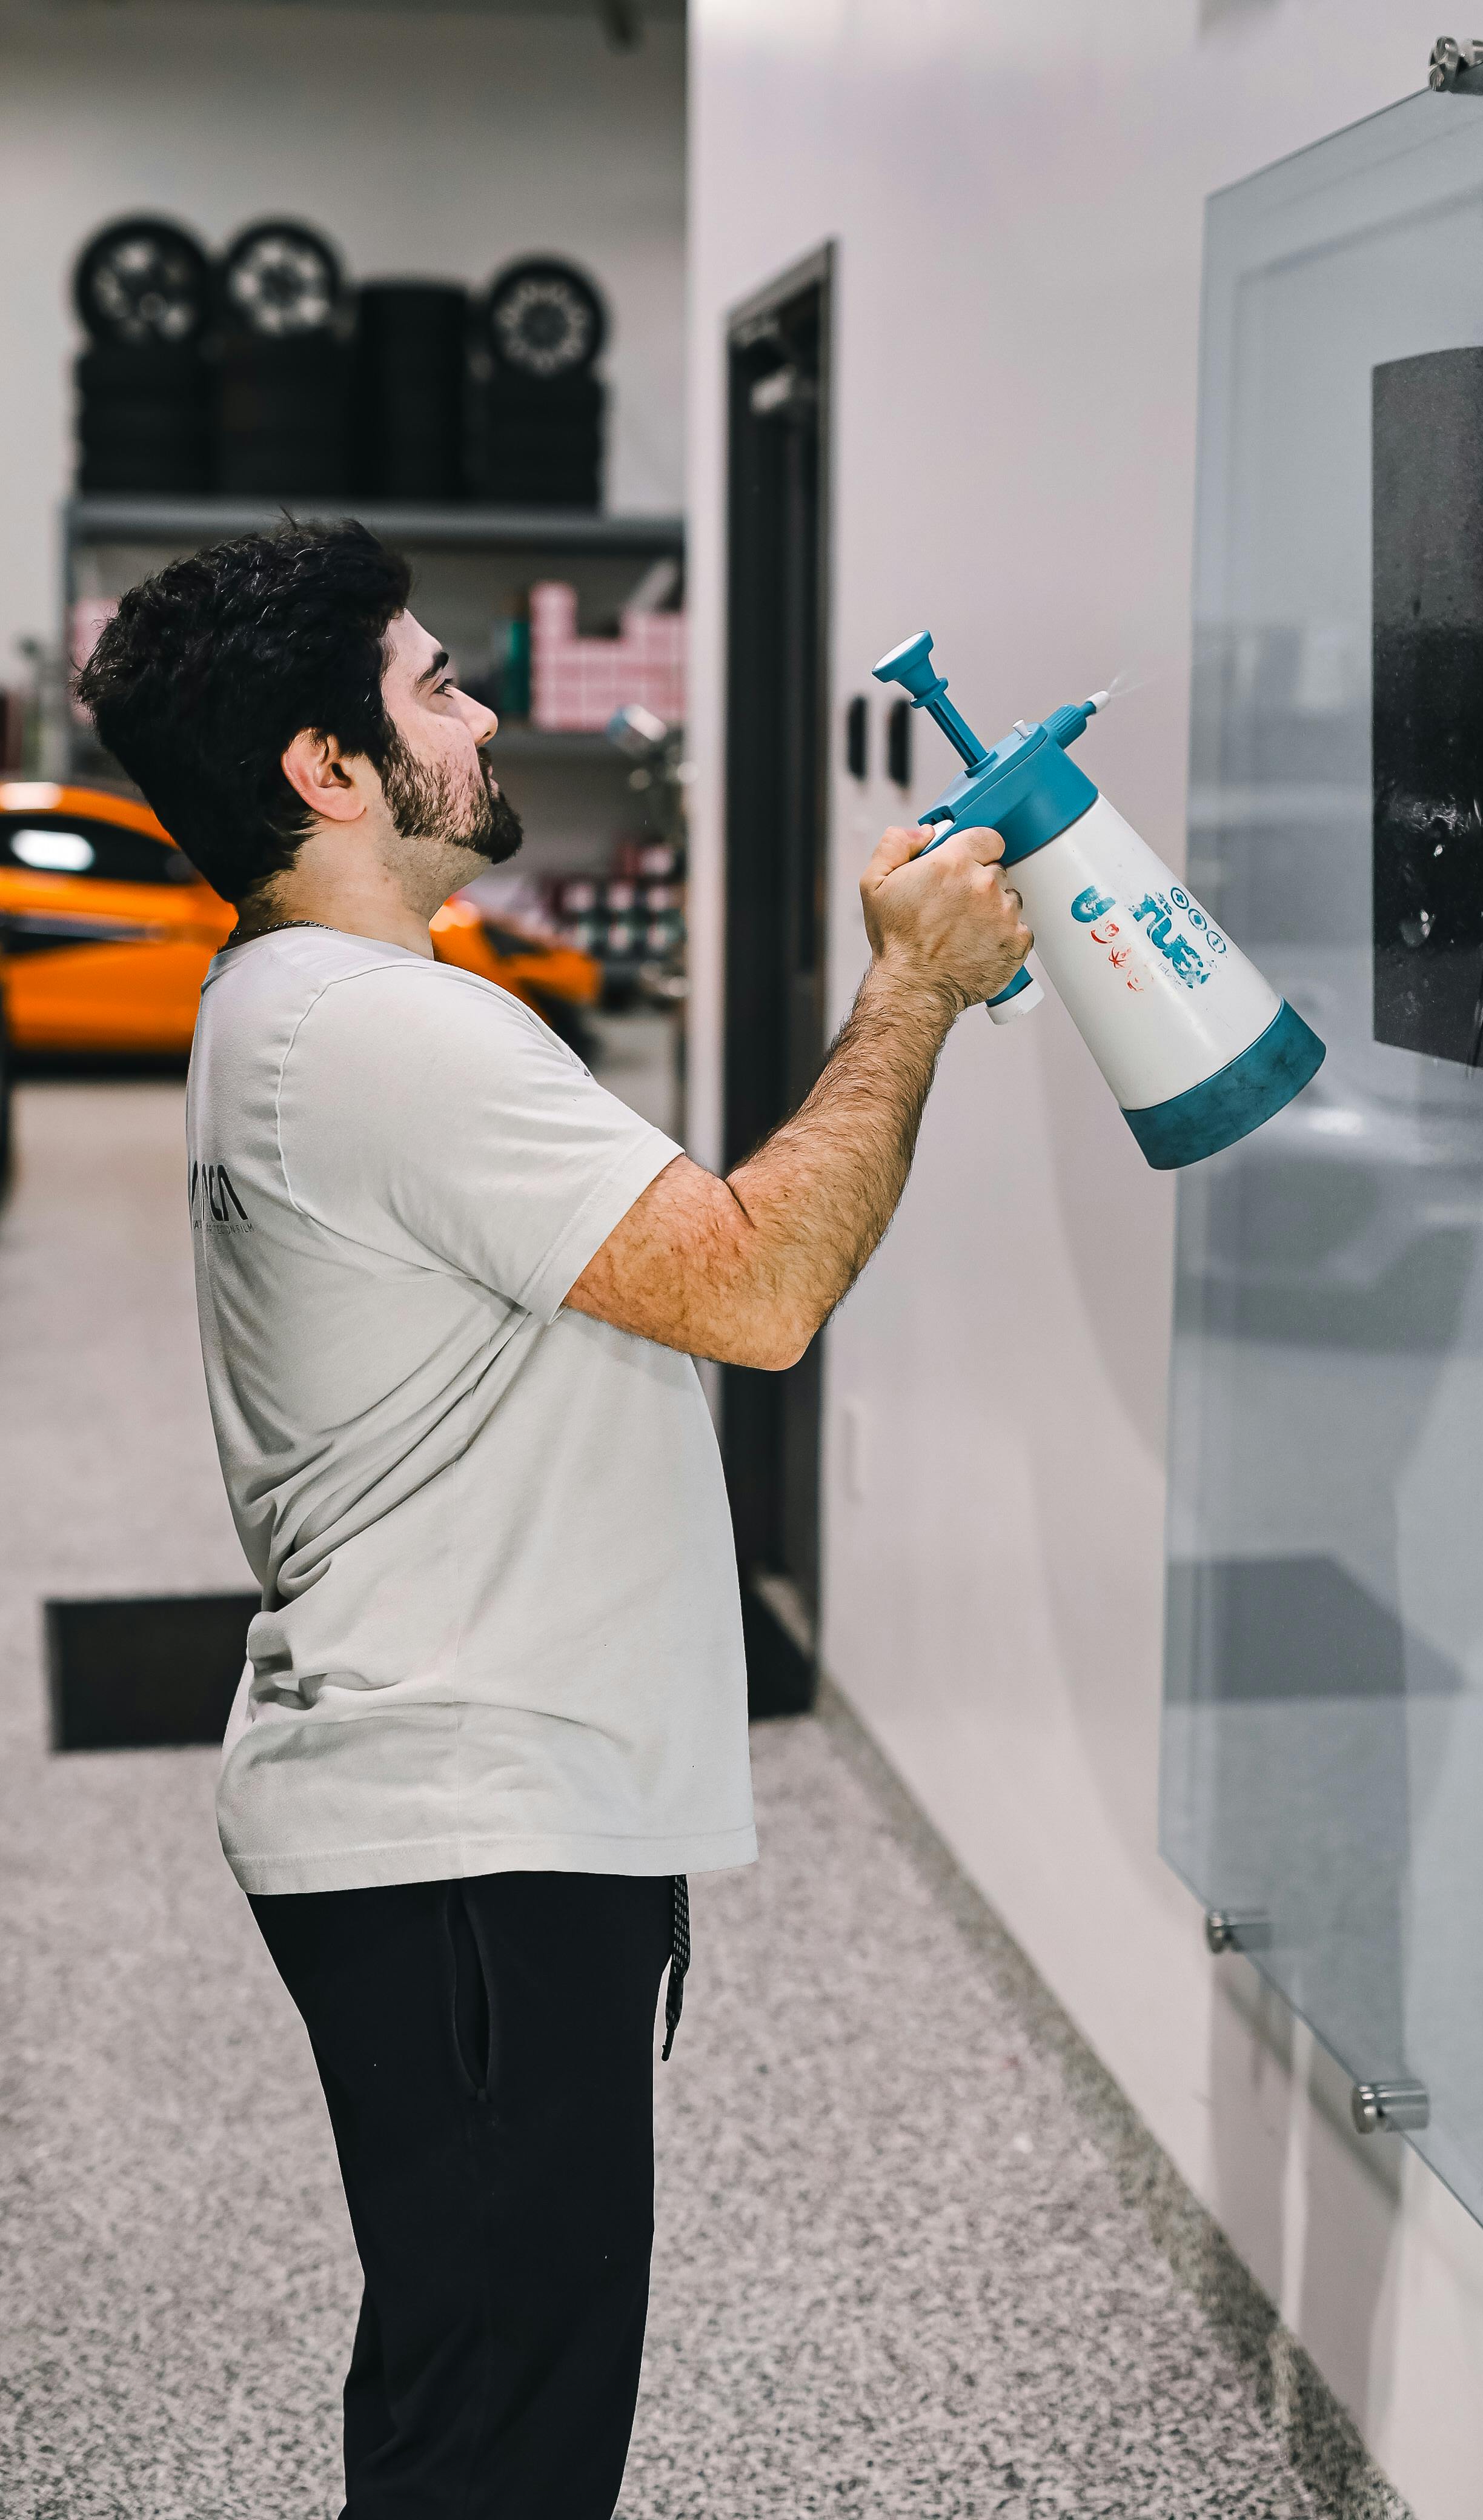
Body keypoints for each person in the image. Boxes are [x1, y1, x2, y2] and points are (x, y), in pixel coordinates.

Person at [79, 519, 1030, 2519]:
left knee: (472, 2393)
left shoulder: (282, 1001)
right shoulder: (392, 1031)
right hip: (467, 1836)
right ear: (330, 770)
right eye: (434, 687)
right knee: (500, 2447)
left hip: (451, 1820)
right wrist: (918, 989)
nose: (482, 711)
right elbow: (759, 1286)